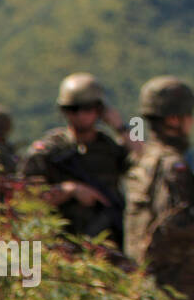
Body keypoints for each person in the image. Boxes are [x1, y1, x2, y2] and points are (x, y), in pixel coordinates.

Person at [125, 76, 194, 300]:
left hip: (144, 275)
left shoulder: (143, 159)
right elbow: (174, 221)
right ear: (173, 119)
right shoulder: (172, 164)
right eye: (189, 115)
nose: (193, 122)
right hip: (175, 281)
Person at [21, 73, 136, 247]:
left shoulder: (109, 148)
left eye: (88, 108)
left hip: (107, 248)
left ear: (99, 110)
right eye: (73, 109)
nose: (81, 115)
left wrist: (120, 127)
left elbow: (146, 159)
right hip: (59, 246)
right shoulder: (49, 151)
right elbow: (25, 201)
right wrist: (69, 190)